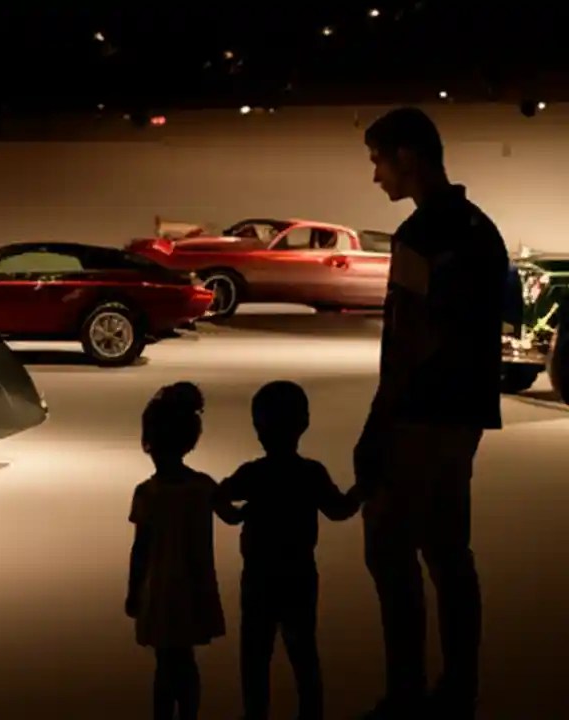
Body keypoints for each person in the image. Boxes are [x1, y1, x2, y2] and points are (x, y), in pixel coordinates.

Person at [354, 107, 509, 719]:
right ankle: (459, 689)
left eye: (378, 161)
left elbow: (410, 340)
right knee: (449, 553)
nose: (375, 177)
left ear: (408, 157)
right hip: (465, 415)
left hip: (417, 417)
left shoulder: (417, 237)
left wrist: (375, 428)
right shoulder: (482, 229)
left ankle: (407, 692)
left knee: (389, 552)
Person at [217, 381, 362, 720]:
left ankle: (256, 713)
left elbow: (220, 497)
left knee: (255, 652)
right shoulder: (311, 473)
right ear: (304, 423)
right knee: (303, 651)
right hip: (299, 571)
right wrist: (362, 489)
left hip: (258, 573)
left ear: (257, 428)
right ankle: (311, 713)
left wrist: (235, 515)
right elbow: (339, 509)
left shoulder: (252, 474)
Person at [125, 382, 240, 719]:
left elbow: (141, 549)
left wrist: (133, 592)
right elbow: (233, 516)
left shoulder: (147, 493)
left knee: (166, 663)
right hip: (195, 585)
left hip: (160, 589)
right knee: (185, 660)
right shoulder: (203, 487)